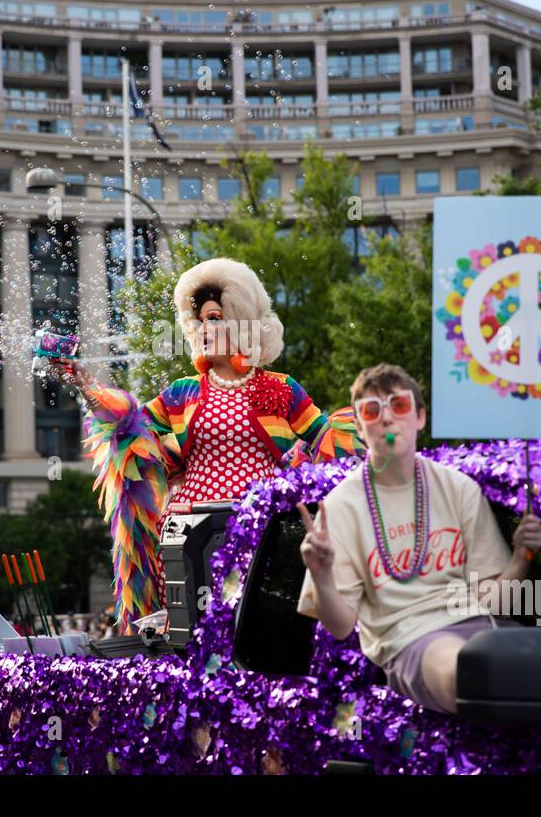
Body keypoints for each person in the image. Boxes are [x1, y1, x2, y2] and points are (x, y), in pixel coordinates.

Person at [58, 257, 363, 634]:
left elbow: (327, 443)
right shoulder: (182, 392)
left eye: (215, 318)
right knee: (197, 627)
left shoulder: (281, 389)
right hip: (190, 530)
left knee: (255, 625)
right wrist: (89, 390)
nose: (205, 328)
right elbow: (130, 425)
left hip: (259, 526)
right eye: (199, 320)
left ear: (241, 324)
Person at [297, 363, 541, 714]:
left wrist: (521, 557)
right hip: (411, 643)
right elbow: (340, 626)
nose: (386, 419)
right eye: (372, 410)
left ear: (420, 418)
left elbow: (492, 601)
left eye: (398, 406)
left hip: (484, 629)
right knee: (469, 671)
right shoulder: (340, 507)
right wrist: (322, 576)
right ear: (359, 426)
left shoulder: (458, 487)